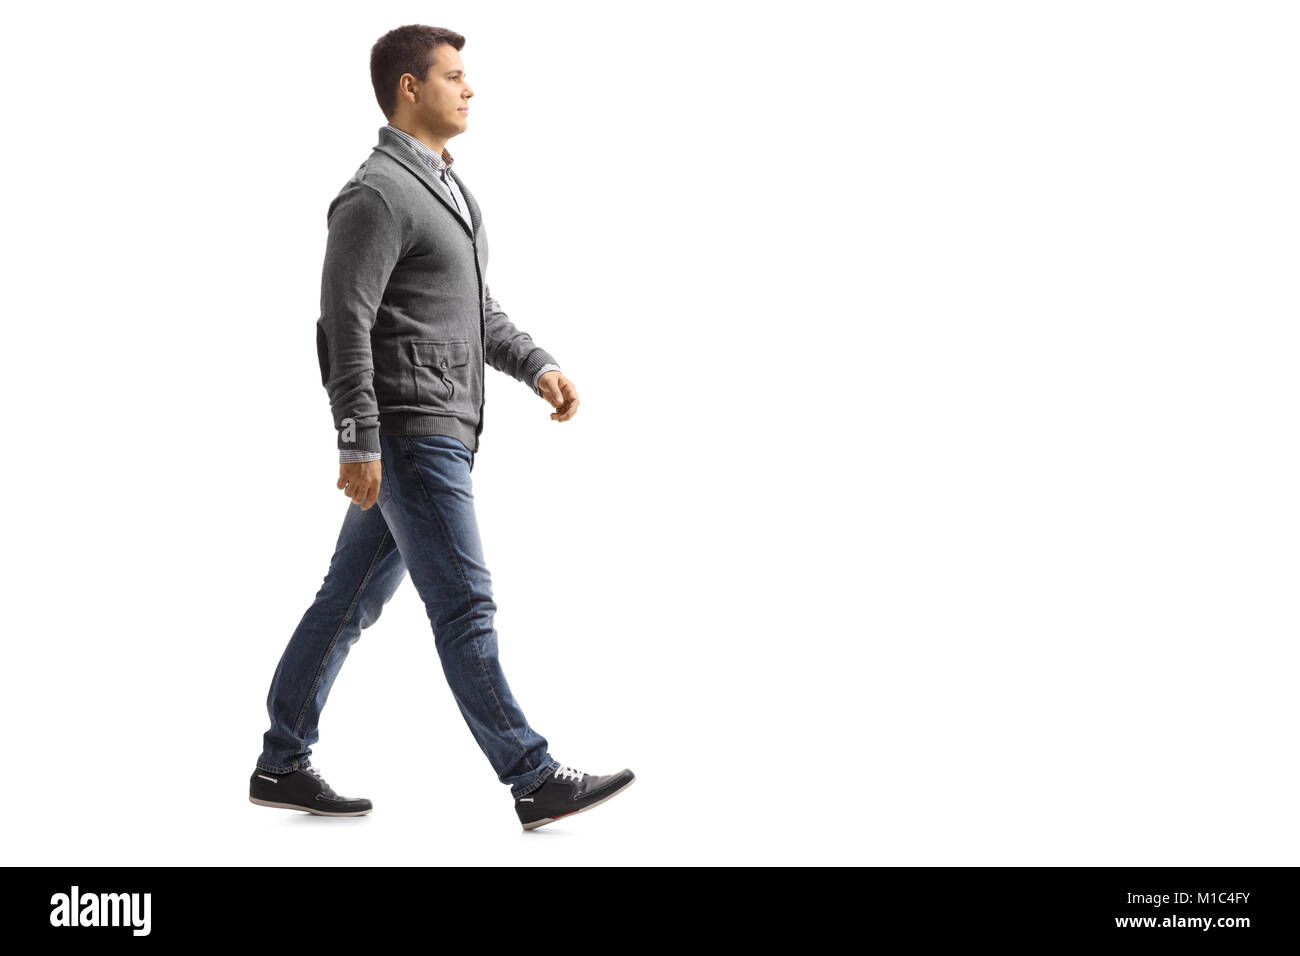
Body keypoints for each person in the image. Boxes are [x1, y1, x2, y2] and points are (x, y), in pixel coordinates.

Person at [248, 24, 634, 831]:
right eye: (454, 76)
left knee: (345, 601)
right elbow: (342, 324)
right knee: (466, 606)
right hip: (412, 433)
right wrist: (357, 436)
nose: (469, 89)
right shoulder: (377, 194)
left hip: (441, 428)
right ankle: (532, 776)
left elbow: (473, 309)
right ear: (409, 89)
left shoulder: (450, 192)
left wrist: (537, 365)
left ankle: (282, 759)